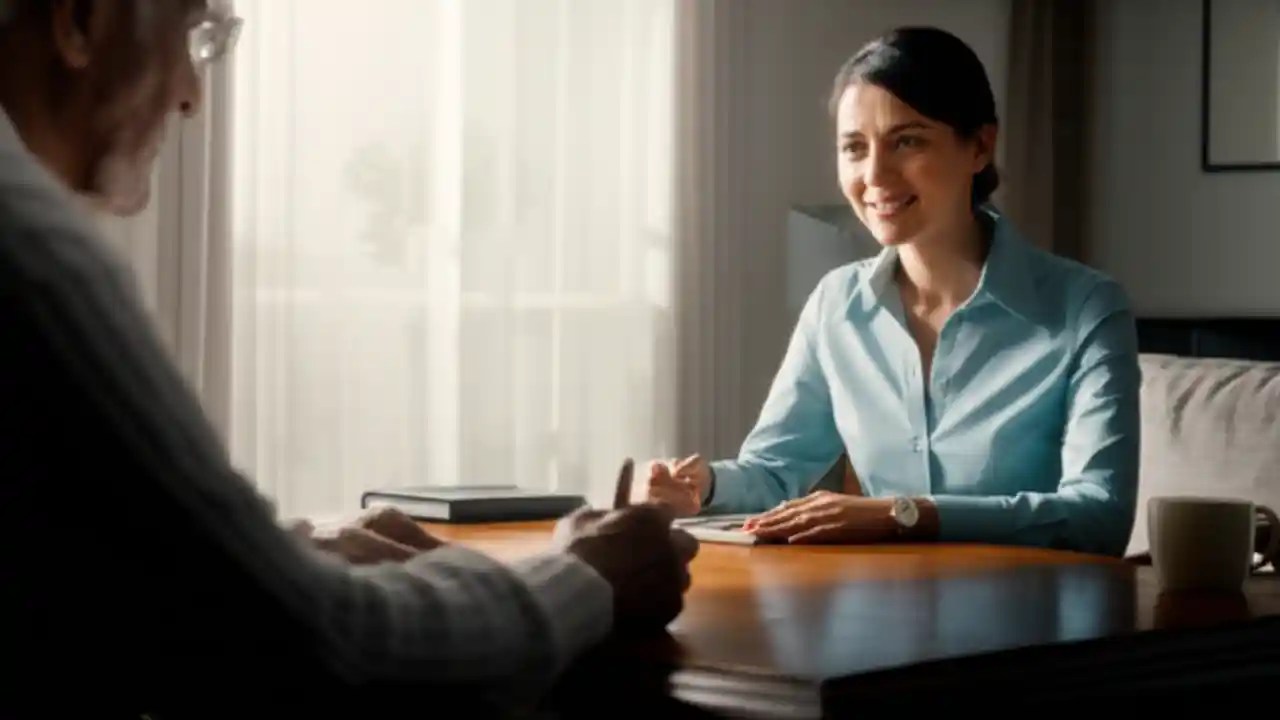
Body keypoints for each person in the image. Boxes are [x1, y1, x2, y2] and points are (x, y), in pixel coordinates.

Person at [0, 0, 697, 712]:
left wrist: (292, 557)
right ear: (78, 21)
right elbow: (323, 649)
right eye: (189, 33)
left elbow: (114, 595)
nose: (191, 95)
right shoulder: (33, 253)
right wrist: (585, 576)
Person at [645, 26, 1141, 558]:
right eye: (854, 148)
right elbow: (776, 472)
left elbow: (1099, 515)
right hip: (880, 599)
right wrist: (704, 487)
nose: (875, 175)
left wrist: (902, 515)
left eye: (907, 141)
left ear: (979, 146)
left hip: (1027, 602)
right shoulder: (836, 304)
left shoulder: (1086, 309)